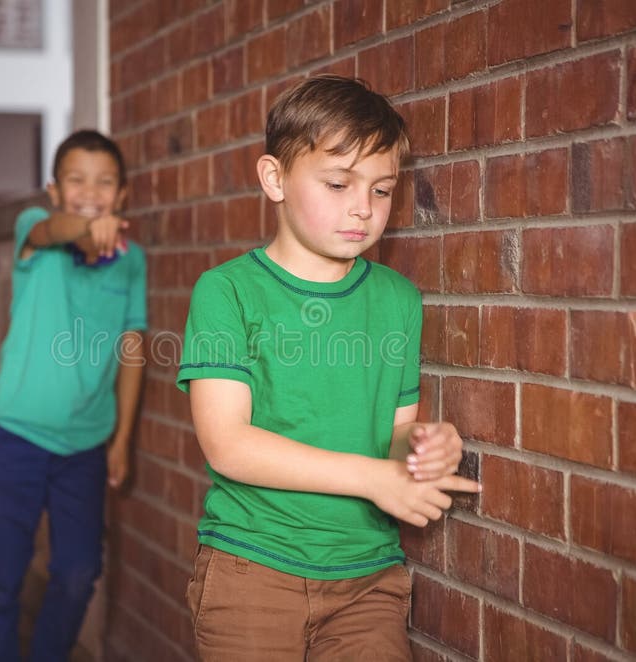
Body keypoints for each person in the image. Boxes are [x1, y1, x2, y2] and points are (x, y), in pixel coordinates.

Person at [176, 75, 482, 660]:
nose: (363, 209)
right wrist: (372, 478)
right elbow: (228, 444)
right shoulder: (227, 293)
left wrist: (423, 448)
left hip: (368, 580)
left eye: (382, 190)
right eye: (339, 183)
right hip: (252, 573)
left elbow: (393, 434)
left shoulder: (398, 300)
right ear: (275, 179)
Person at [0, 129, 146, 662]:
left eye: (104, 181)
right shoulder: (34, 231)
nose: (89, 190)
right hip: (15, 438)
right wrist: (87, 229)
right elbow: (57, 231)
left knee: (78, 572)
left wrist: (121, 441)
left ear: (123, 195)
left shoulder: (132, 260)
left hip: (85, 447)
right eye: (76, 180)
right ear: (53, 189)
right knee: (0, 583)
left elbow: (132, 349)